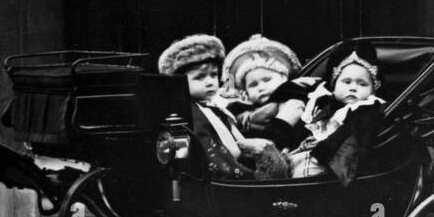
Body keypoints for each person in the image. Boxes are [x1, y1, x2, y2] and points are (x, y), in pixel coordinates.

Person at [157, 33, 288, 180]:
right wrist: (249, 175)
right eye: (200, 77)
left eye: (213, 75)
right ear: (179, 81)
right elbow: (215, 156)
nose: (210, 82)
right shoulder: (195, 114)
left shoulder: (214, 108)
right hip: (226, 179)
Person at [287, 41, 386, 182]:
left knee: (306, 172)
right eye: (346, 82)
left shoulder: (366, 109)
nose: (353, 88)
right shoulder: (323, 103)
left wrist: (323, 149)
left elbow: (349, 133)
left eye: (362, 84)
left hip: (329, 159)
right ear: (334, 85)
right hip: (306, 151)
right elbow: (307, 126)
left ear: (373, 90)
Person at [222, 33, 316, 153]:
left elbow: (286, 124)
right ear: (245, 91)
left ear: (283, 78)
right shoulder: (239, 111)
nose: (261, 88)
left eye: (267, 80)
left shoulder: (290, 101)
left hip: (283, 149)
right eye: (253, 85)